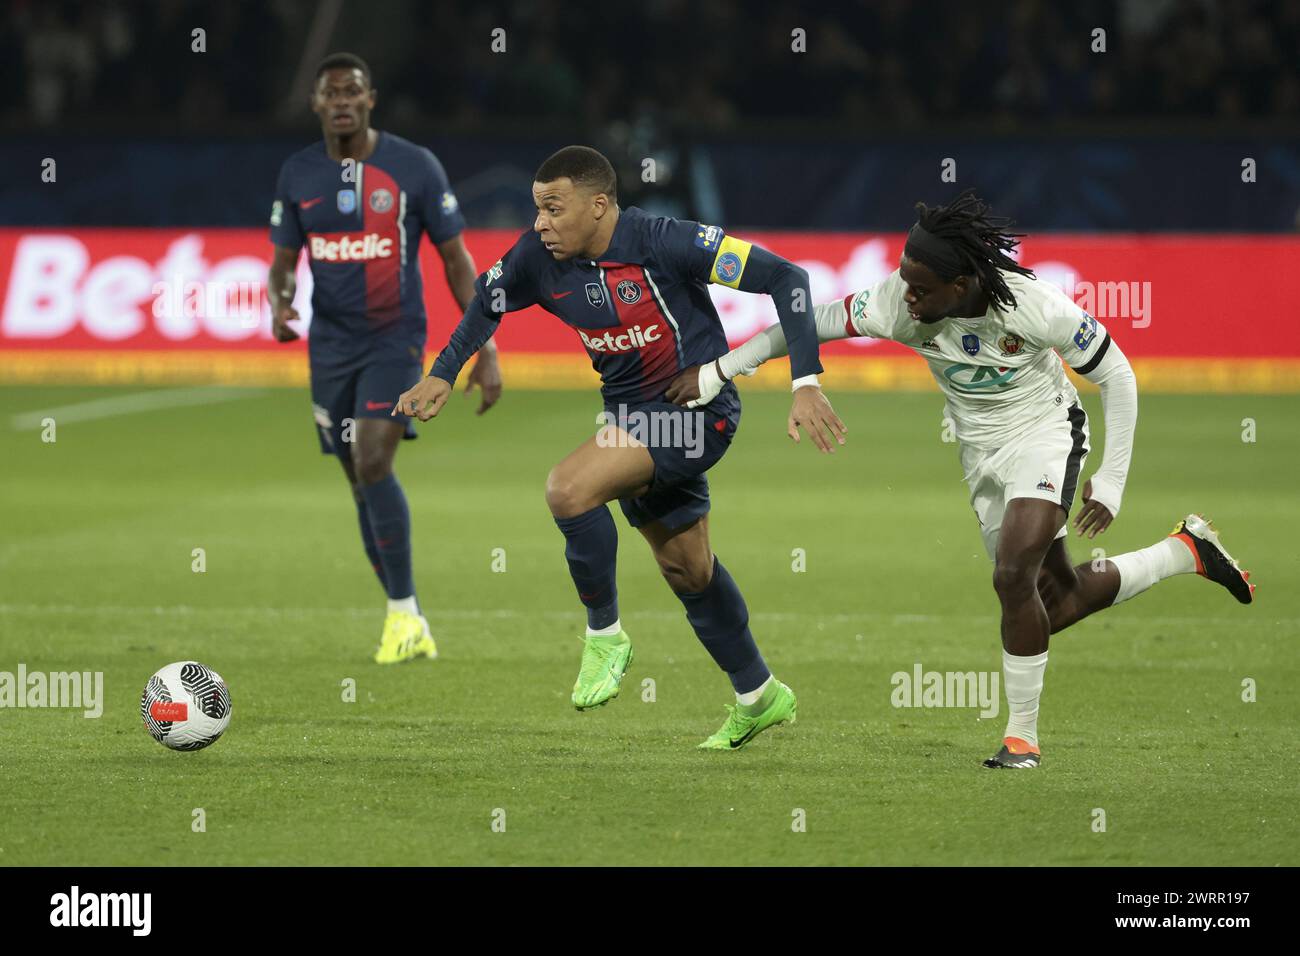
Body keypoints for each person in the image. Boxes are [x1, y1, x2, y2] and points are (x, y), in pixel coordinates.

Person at [669, 190, 1254, 767]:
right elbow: (800, 325)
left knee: (1010, 574)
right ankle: (1185, 552)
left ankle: (1021, 739)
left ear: (963, 283)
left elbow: (1118, 375)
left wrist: (1113, 478)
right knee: (1055, 599)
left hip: (1046, 433)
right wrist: (720, 370)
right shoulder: (895, 303)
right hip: (980, 454)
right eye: (905, 281)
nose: (910, 298)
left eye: (922, 288)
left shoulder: (1035, 307)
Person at [395, 145, 846, 749]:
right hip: (629, 419)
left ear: (599, 205)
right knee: (688, 570)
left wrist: (806, 382)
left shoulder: (667, 241)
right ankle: (759, 694)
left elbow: (787, 278)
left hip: (696, 415)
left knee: (569, 488)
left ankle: (605, 636)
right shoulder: (538, 258)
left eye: (554, 209)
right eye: (537, 209)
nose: (539, 223)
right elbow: (487, 300)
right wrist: (444, 371)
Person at [267, 52, 501, 664]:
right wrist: (280, 306)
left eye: (353, 90)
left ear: (371, 99)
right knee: (357, 478)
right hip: (331, 348)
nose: (342, 100)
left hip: (395, 341)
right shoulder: (297, 174)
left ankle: (400, 615)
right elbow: (283, 266)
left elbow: (457, 262)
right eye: (331, 92)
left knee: (372, 459)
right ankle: (409, 617)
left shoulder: (414, 166)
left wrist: (487, 348)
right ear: (316, 103)